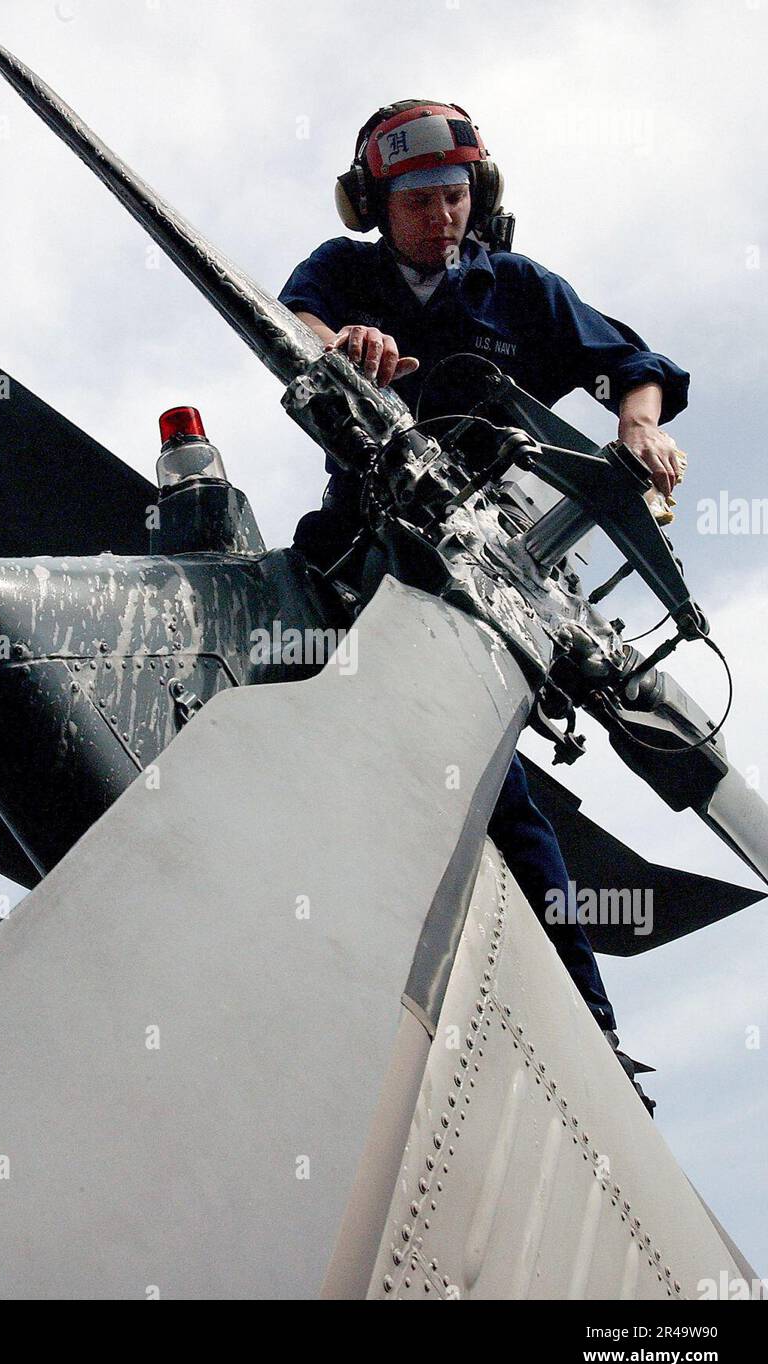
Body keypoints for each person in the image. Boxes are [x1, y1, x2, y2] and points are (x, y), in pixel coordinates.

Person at [278, 100, 687, 1108]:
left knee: (496, 792)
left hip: (482, 580)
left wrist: (639, 431)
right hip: (368, 551)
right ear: (379, 203)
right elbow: (294, 321)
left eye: (456, 194)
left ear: (479, 194)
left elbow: (633, 366)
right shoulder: (342, 272)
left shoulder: (520, 289)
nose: (442, 214)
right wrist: (343, 346)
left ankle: (589, 1033)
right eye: (419, 199)